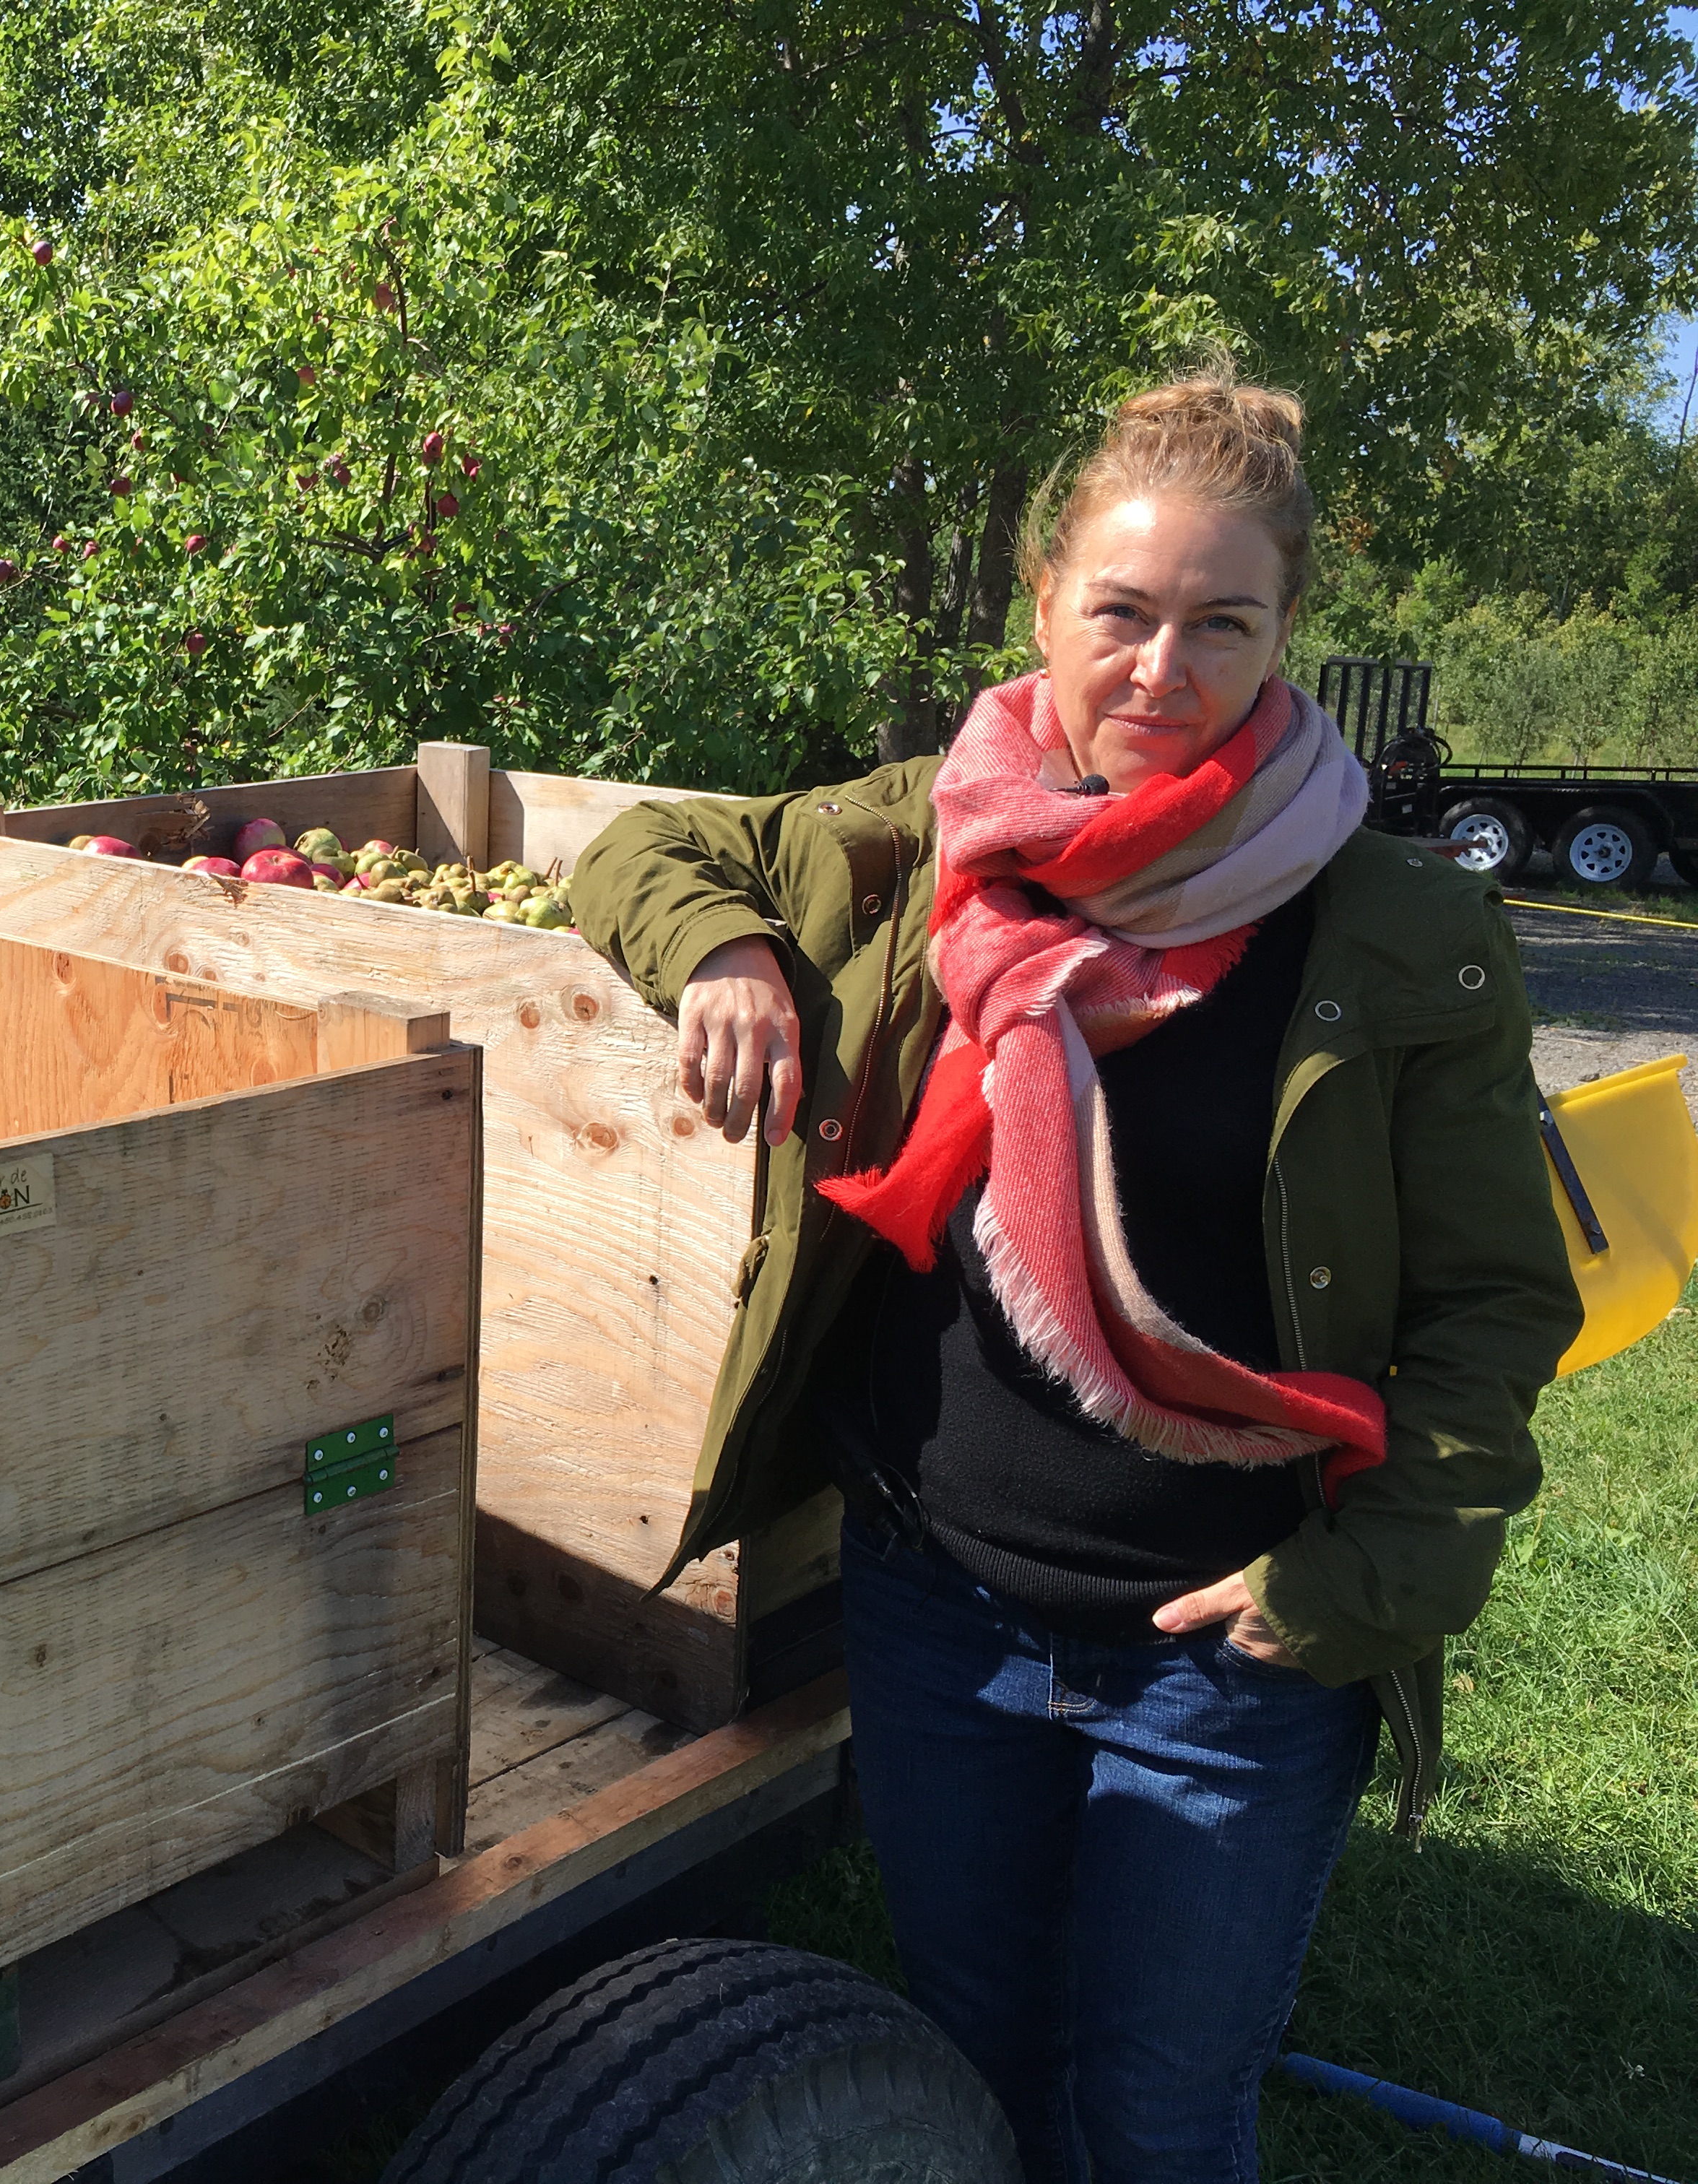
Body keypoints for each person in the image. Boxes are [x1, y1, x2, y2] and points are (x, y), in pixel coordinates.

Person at [570, 373, 1582, 2183]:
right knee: (969, 2051)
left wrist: (1368, 1586)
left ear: (1288, 635)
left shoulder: (1395, 929)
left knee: (1151, 2117)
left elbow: (1498, 1300)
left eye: (1223, 624)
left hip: (1229, 1656)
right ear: (1043, 604)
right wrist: (722, 945)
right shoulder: (931, 834)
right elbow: (643, 848)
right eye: (1120, 612)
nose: (1161, 670)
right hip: (937, 1603)